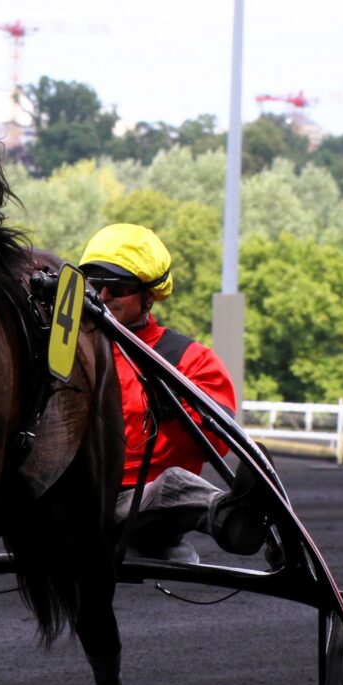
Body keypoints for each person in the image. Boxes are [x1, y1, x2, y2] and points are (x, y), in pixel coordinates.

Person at [78, 223, 274, 564]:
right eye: (95, 285)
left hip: (143, 505)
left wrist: (175, 406)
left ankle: (233, 519)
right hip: (74, 499)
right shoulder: (68, 351)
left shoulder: (189, 360)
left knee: (172, 484)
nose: (104, 296)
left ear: (149, 296)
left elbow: (219, 442)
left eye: (118, 287)